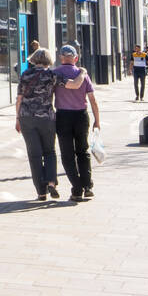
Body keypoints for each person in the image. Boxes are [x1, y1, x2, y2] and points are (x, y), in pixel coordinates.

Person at [15, 48, 87, 202]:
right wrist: (82, 72)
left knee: (34, 155)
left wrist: (17, 118)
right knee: (49, 151)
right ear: (49, 60)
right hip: (47, 117)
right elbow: (75, 85)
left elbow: (19, 98)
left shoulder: (25, 74)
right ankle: (51, 182)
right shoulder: (53, 75)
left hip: (26, 117)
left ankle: (41, 192)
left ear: (33, 59)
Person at [52, 44, 99, 201]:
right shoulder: (83, 74)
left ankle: (76, 189)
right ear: (76, 58)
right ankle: (87, 186)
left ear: (60, 58)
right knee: (83, 151)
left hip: (63, 116)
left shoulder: (55, 74)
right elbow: (92, 99)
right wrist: (97, 120)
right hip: (81, 116)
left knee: (67, 154)